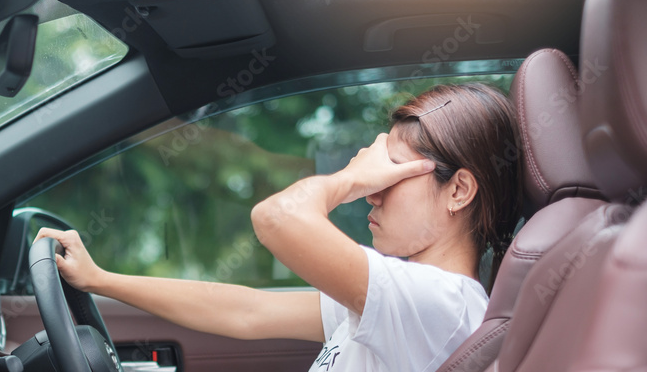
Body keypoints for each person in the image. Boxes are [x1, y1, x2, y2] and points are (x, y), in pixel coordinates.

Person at [35, 83, 522, 372]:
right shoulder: (403, 296)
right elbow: (247, 311)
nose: (374, 191)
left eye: (390, 173)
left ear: (459, 191)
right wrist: (101, 280)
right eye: (376, 175)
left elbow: (276, 218)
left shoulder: (440, 304)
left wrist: (350, 177)